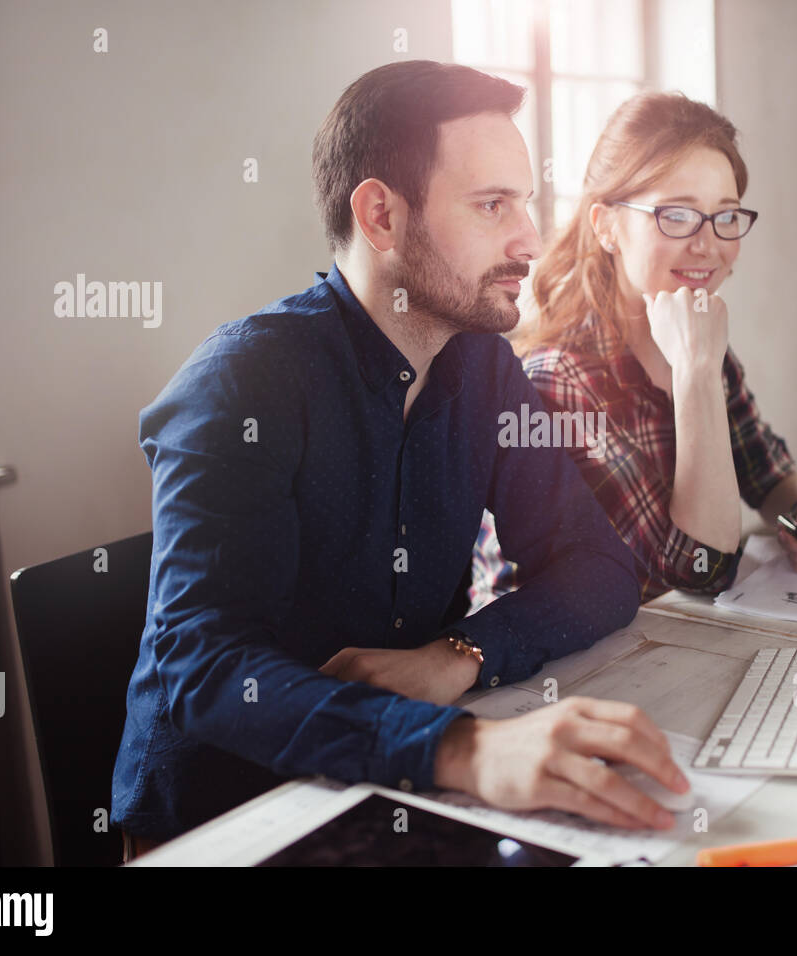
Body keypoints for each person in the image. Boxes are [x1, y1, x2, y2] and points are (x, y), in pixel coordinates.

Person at [111, 61, 692, 861]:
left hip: (394, 792)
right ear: (381, 215)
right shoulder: (241, 380)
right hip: (234, 818)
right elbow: (203, 667)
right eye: (492, 205)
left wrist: (457, 659)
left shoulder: (483, 366)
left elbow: (596, 564)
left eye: (524, 202)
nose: (529, 238)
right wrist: (462, 749)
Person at [472, 92, 797, 611]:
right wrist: (695, 372)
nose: (708, 244)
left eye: (726, 216)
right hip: (558, 675)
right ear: (606, 225)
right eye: (677, 215)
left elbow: (767, 471)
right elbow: (699, 572)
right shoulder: (556, 381)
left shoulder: (696, 336)